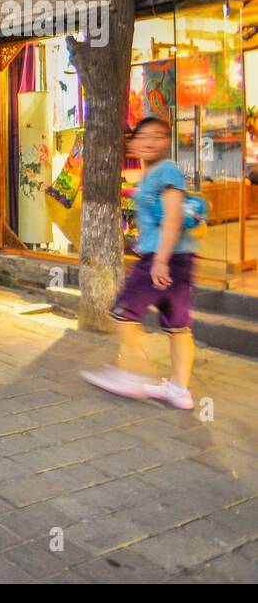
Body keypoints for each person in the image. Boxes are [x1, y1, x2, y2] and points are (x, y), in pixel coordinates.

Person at [82, 117, 199, 410]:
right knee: (178, 327)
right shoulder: (151, 174)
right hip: (178, 259)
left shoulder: (167, 171)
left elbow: (173, 216)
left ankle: (132, 374)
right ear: (132, 143)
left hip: (162, 258)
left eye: (158, 136)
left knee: (122, 313)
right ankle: (179, 390)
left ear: (167, 141)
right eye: (144, 136)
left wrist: (160, 261)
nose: (150, 141)